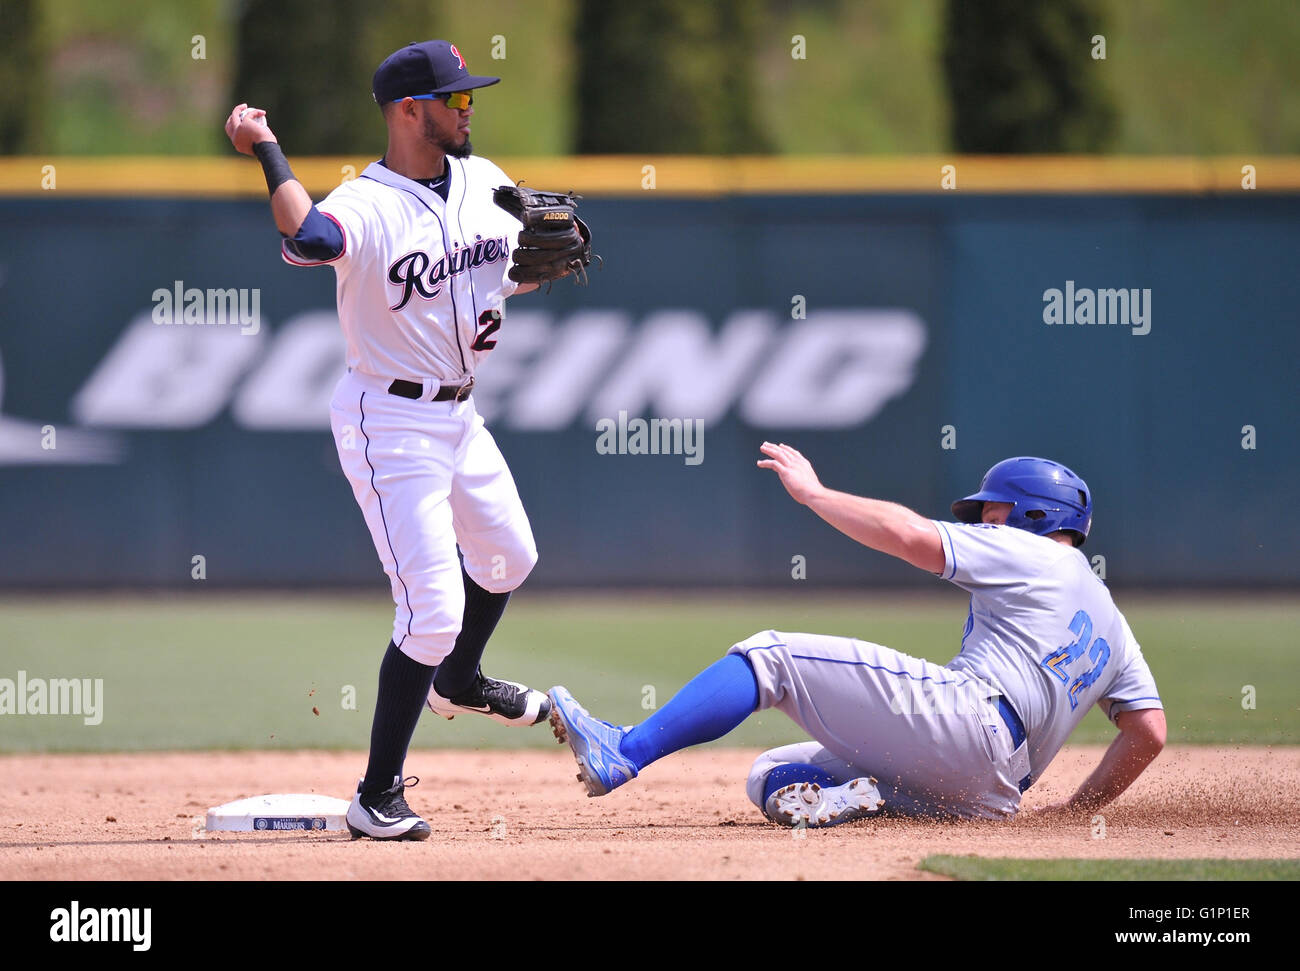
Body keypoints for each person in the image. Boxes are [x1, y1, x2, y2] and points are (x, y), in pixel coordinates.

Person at [225, 40, 583, 840]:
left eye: (467, 97)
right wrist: (266, 148)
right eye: (453, 99)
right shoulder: (365, 203)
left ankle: (457, 679)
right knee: (430, 610)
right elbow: (311, 237)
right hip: (389, 423)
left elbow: (507, 266)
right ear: (407, 111)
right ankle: (376, 794)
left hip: (459, 415)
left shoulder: (487, 181)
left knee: (511, 556)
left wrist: (534, 269)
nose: (467, 108)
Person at [548, 445, 1166, 826]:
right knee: (770, 775)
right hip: (990, 796)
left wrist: (815, 495)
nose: (984, 520)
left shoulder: (1031, 553)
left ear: (1034, 514)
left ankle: (622, 752)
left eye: (993, 510)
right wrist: (1076, 815)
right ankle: (858, 797)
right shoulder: (1113, 621)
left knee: (771, 658)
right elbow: (1148, 732)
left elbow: (912, 537)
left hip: (969, 724)